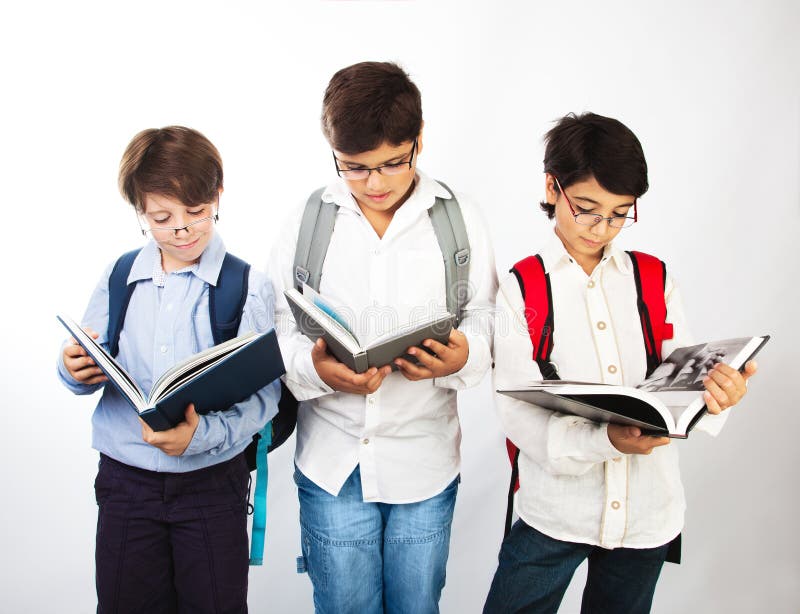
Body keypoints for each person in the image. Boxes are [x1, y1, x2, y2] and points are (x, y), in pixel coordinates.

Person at [484, 112, 757, 613]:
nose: (601, 227)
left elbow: (680, 381)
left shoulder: (654, 278)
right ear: (552, 187)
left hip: (646, 513)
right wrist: (604, 440)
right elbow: (518, 413)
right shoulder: (520, 288)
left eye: (619, 213)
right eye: (587, 209)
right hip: (554, 512)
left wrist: (718, 394)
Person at [268, 61, 497, 613]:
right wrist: (316, 369)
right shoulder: (307, 219)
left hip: (425, 460)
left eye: (393, 163)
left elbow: (487, 315)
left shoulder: (459, 217)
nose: (375, 183)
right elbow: (278, 324)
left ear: (420, 140)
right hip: (331, 462)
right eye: (354, 167)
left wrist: (462, 355)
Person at [57, 126, 280, 613]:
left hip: (211, 487)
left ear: (218, 196)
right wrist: (73, 368)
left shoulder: (248, 286)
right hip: (125, 485)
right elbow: (89, 357)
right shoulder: (120, 276)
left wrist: (200, 437)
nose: (182, 230)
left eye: (196, 212)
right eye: (161, 218)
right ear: (139, 211)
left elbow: (264, 400)